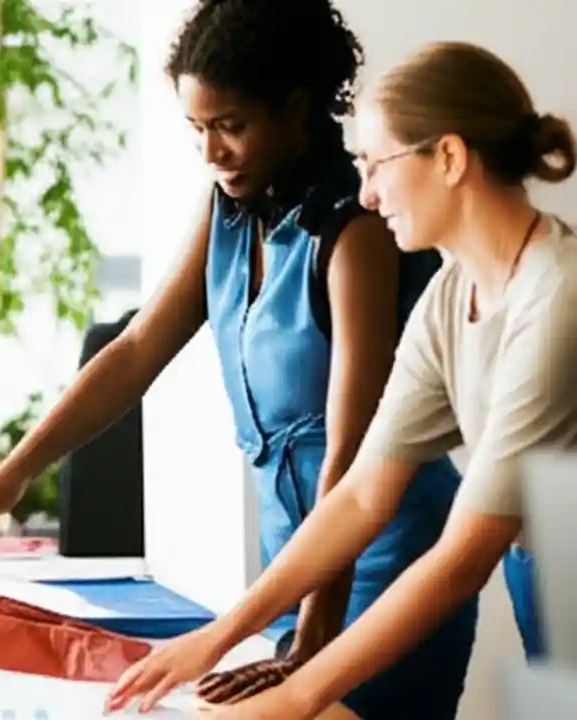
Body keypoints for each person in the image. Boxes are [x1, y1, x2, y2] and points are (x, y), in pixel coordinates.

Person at [0, 2, 476, 717]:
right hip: (295, 571)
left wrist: (313, 637)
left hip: (383, 564)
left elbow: (352, 451)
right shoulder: (229, 205)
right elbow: (135, 349)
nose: (212, 152)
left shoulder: (356, 225)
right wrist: (16, 472)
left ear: (295, 106)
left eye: (231, 126)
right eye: (198, 130)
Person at [105, 41, 577, 719]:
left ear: (448, 157)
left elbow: (461, 559)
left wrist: (297, 696)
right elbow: (360, 495)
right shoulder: (453, 294)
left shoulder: (556, 299)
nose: (366, 193)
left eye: (375, 164)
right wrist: (219, 635)